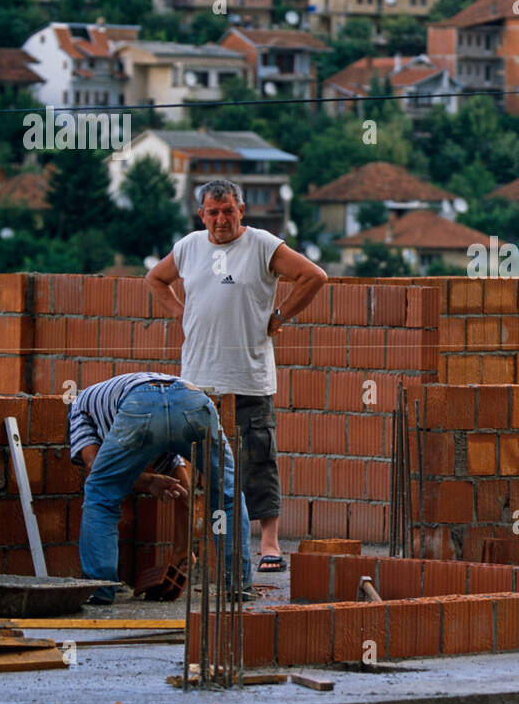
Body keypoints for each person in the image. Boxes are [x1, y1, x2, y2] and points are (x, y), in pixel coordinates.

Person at [146, 179, 327, 573]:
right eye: (213, 212)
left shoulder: (262, 245)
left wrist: (279, 316)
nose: (221, 219)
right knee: (198, 465)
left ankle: (269, 543)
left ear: (241, 210)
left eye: (228, 210)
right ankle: (201, 547)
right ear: (202, 215)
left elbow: (314, 276)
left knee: (258, 459)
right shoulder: (190, 247)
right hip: (198, 380)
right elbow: (155, 279)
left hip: (248, 376)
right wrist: (181, 313)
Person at [70, 372, 252, 604]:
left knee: (100, 495)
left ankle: (100, 588)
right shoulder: (116, 395)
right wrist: (181, 546)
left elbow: (97, 468)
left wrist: (146, 482)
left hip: (140, 407)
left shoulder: (77, 407)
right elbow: (182, 490)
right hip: (192, 400)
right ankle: (238, 585)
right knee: (227, 497)